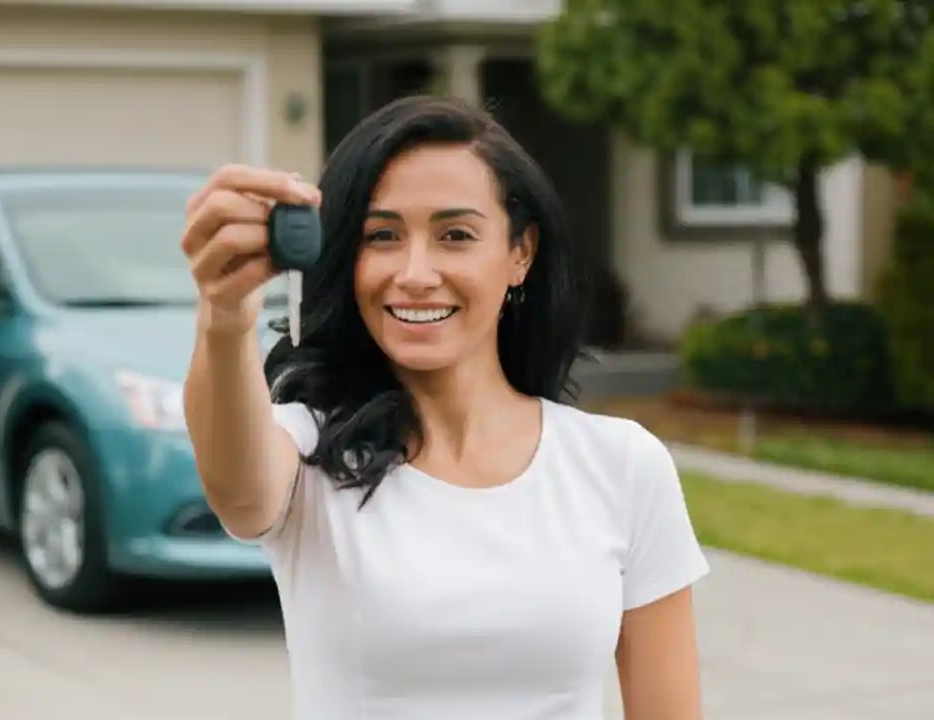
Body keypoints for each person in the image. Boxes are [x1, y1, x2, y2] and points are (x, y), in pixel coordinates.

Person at [180, 95, 709, 720]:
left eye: (455, 235)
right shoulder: (307, 452)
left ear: (520, 253)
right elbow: (239, 494)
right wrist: (225, 315)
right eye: (382, 236)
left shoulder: (621, 464)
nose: (415, 272)